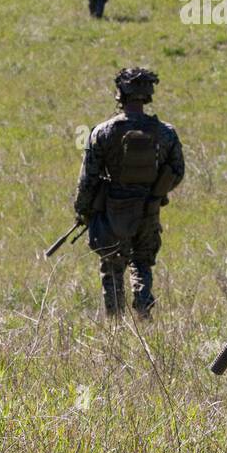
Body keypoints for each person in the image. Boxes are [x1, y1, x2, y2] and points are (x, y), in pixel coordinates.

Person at [74, 69, 185, 319]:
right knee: (142, 264)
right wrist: (155, 194)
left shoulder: (102, 132)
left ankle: (115, 323)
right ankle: (144, 314)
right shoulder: (166, 132)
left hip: (112, 212)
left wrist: (82, 209)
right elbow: (178, 171)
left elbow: (88, 178)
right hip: (148, 211)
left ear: (120, 94)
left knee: (112, 268)